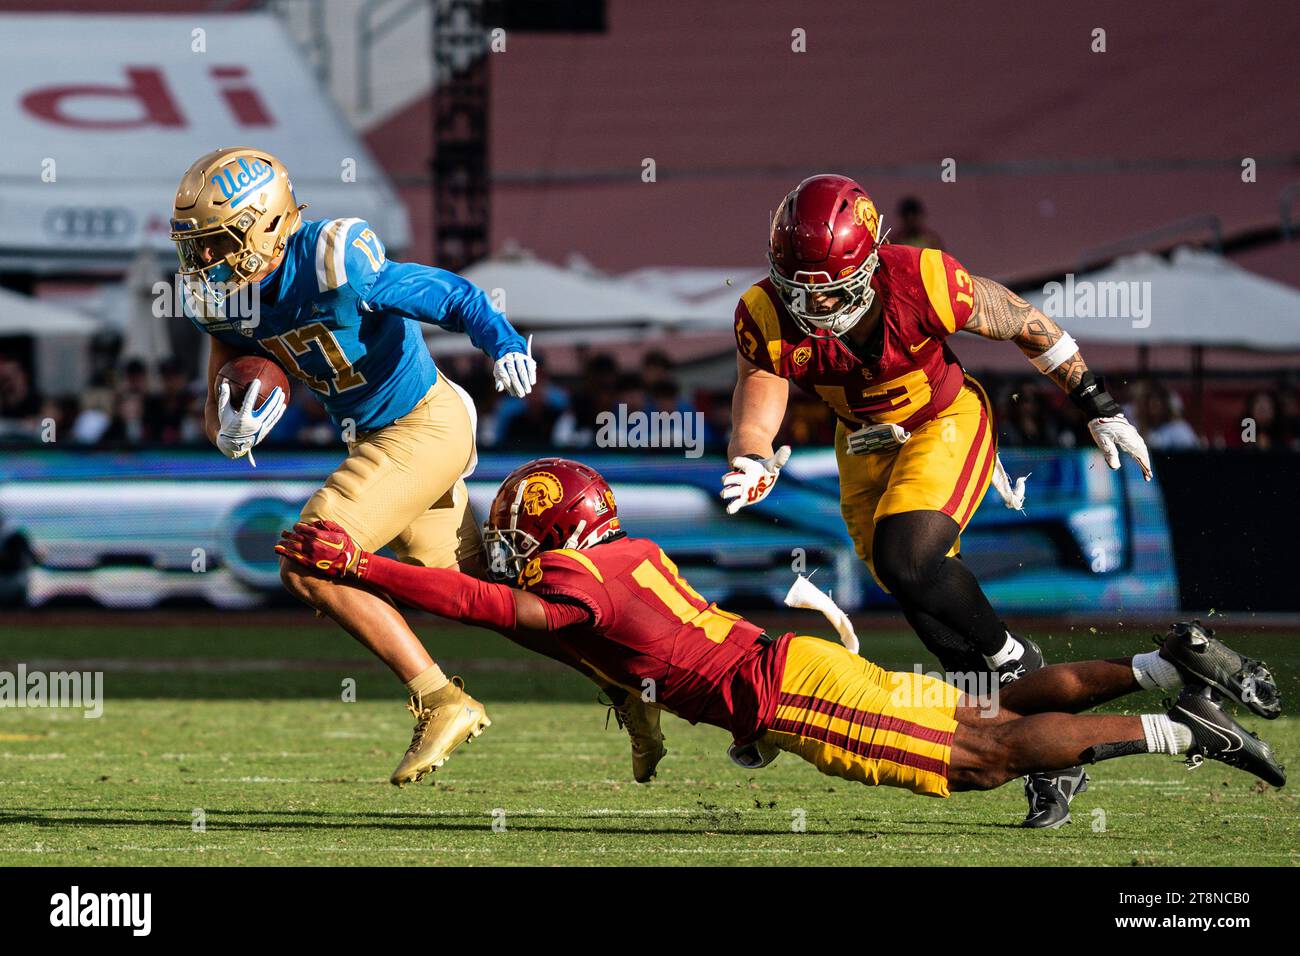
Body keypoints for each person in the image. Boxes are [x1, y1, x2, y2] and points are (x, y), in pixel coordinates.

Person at [274, 457, 1284, 806]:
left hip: (797, 690)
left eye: (512, 534)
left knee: (986, 756)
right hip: (792, 666)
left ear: (545, 532)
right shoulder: (627, 556)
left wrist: (364, 565)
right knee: (998, 702)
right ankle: (1163, 660)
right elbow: (628, 657)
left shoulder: (573, 580)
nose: (504, 549)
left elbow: (500, 608)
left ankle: (1191, 727)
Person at [169, 146, 657, 785]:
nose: (204, 262)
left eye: (217, 243)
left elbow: (447, 294)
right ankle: (624, 684)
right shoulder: (224, 299)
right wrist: (229, 428)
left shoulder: (333, 258)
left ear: (267, 223)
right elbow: (217, 403)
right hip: (376, 439)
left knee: (309, 558)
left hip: (423, 424)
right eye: (195, 246)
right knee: (483, 596)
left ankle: (440, 699)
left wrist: (501, 338)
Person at [724, 174, 1153, 827]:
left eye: (828, 288)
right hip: (862, 442)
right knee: (929, 617)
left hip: (943, 418)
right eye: (797, 289)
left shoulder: (922, 278)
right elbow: (760, 389)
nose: (811, 305)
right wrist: (753, 455)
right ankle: (1051, 755)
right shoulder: (762, 312)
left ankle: (1016, 656)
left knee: (907, 559)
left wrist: (1098, 404)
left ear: (869, 263)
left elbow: (1023, 320)